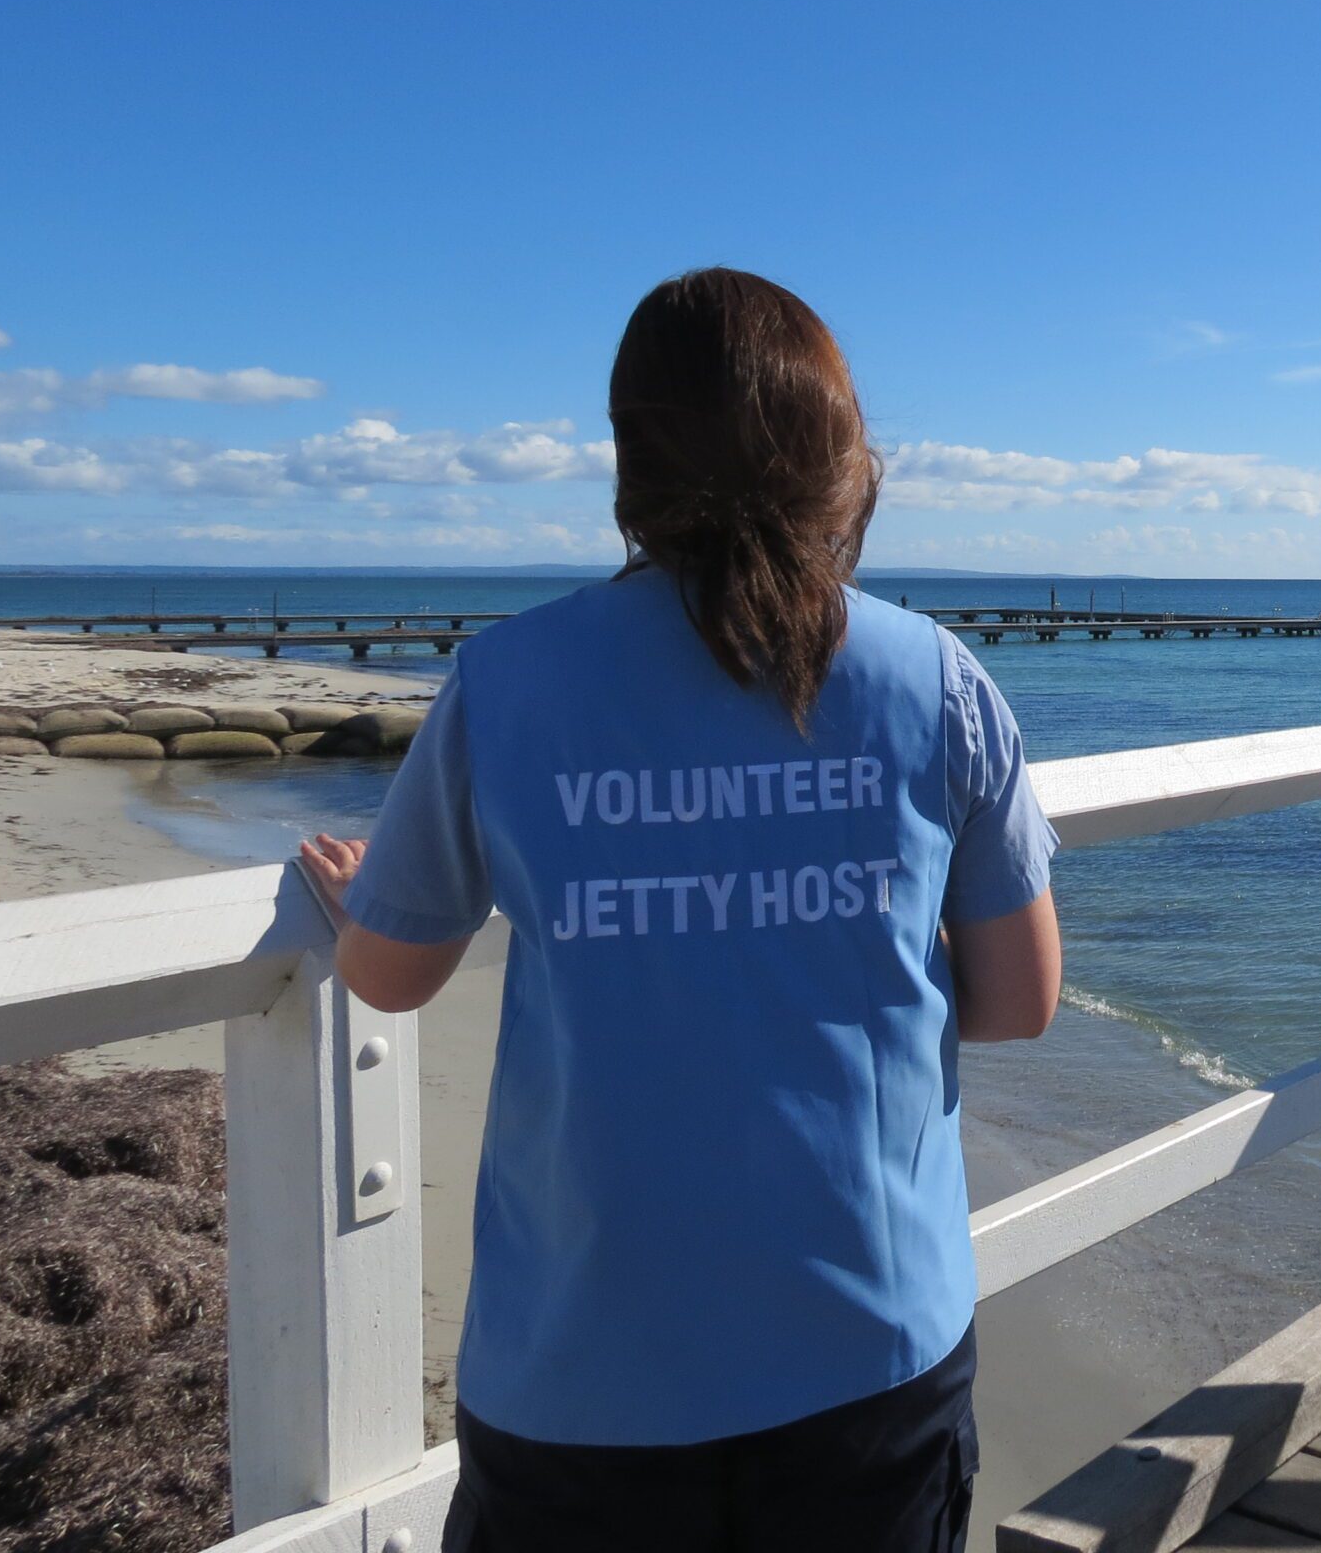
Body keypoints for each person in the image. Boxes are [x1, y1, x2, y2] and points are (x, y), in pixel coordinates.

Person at [297, 266, 1060, 1553]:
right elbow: (1020, 1000)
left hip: (584, 1365)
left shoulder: (508, 680)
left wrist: (364, 892)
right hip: (868, 1349)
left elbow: (390, 973)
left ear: (629, 465)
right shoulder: (935, 680)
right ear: (841, 462)